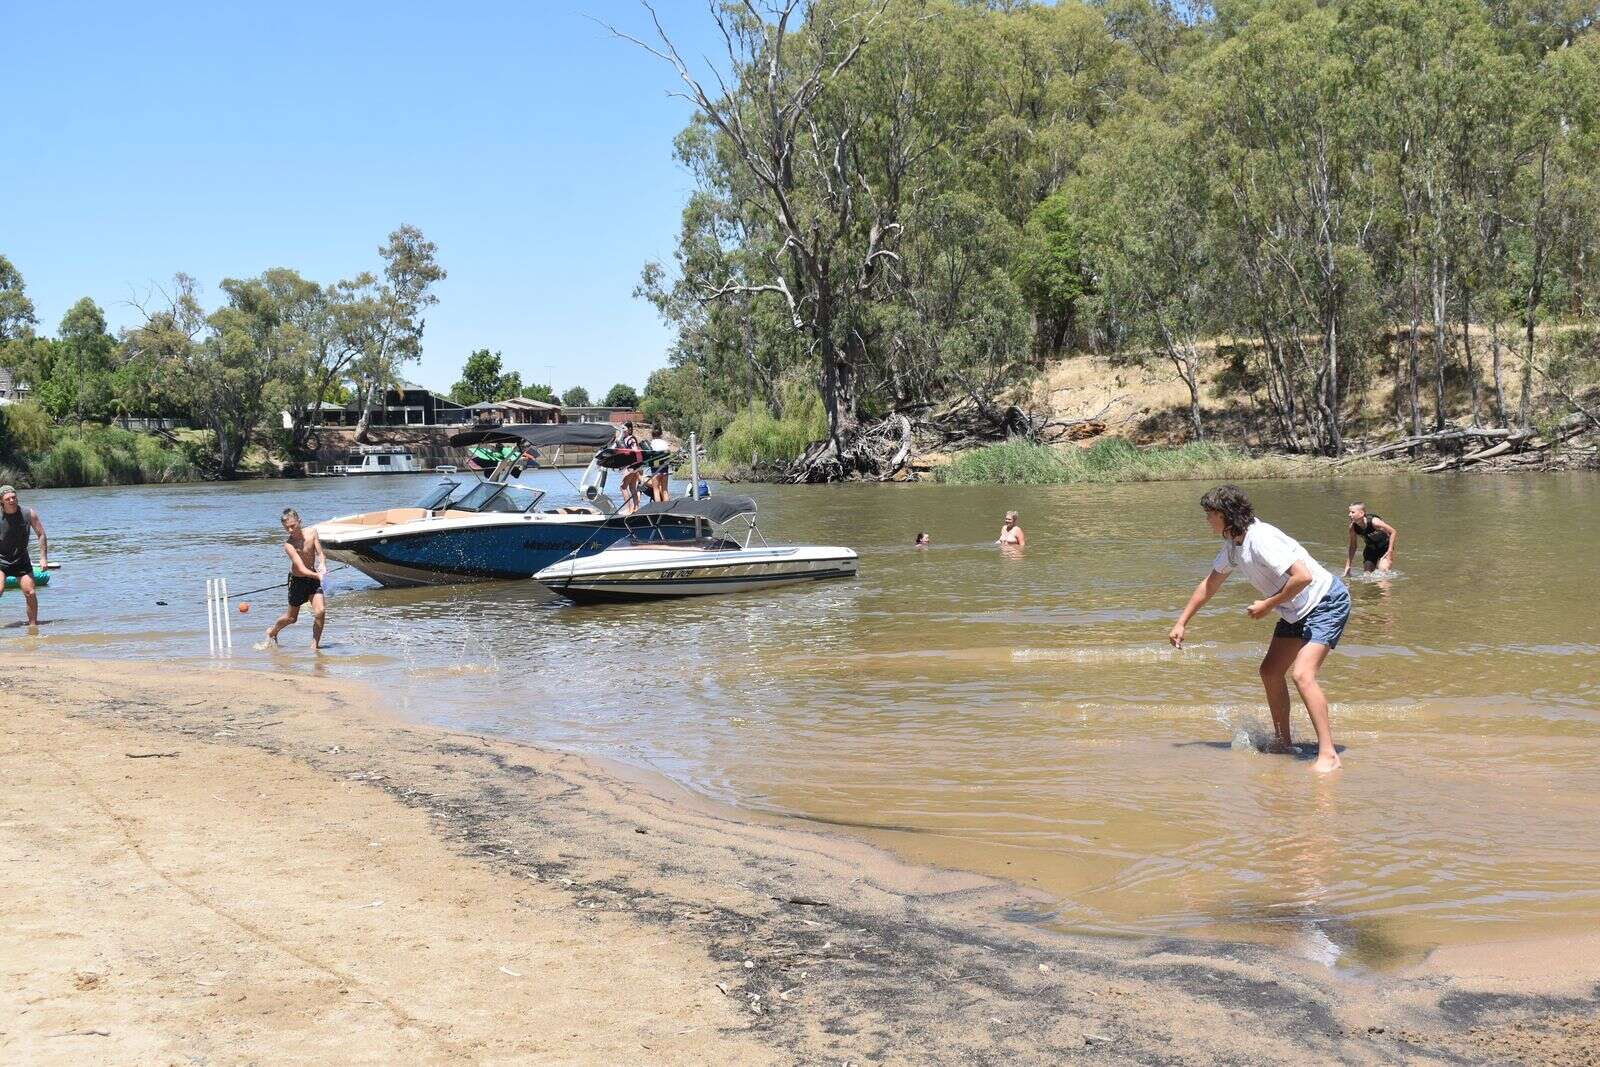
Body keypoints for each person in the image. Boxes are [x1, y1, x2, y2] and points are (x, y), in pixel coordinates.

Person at [1169, 485, 1350, 774]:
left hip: (1326, 602)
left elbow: (1303, 577)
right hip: (1295, 609)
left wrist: (1268, 605)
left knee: (1302, 674)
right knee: (1269, 671)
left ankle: (1328, 754)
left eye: (1210, 514)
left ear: (1226, 515)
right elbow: (1210, 584)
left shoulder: (1261, 539)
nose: (1207, 520)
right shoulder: (1233, 544)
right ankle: (1283, 742)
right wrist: (1182, 622)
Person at [258, 507, 327, 651]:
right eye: (286, 528)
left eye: (292, 526)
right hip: (297, 581)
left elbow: (320, 553)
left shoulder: (312, 532)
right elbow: (301, 569)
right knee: (291, 618)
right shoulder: (289, 545)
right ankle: (272, 632)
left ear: (299, 521)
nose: (289, 530)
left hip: (313, 578)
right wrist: (318, 575)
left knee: (320, 611)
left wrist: (322, 564)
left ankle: (315, 646)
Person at [0, 485, 48, 627]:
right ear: (1, 501)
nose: (12, 500)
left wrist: (43, 557)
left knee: (30, 593)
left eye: (14, 497)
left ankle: (33, 628)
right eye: (8, 499)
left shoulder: (28, 513)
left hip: (21, 560)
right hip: (1, 560)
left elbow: (41, 534)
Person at [1344, 503, 1397, 577]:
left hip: (1385, 549)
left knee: (1383, 573)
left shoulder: (1374, 522)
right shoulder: (1352, 528)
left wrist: (1390, 551)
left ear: (1361, 513)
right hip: (1370, 550)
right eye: (1349, 512)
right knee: (1367, 577)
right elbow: (1353, 546)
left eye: (1352, 512)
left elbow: (1393, 532)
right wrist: (1348, 566)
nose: (1349, 515)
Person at [617, 421, 643, 515]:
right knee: (632, 487)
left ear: (630, 429)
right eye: (622, 428)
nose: (623, 430)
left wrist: (635, 466)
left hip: (632, 466)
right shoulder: (626, 438)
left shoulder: (630, 439)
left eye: (624, 428)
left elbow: (636, 451)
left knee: (623, 487)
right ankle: (635, 508)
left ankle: (628, 509)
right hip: (635, 466)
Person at [648, 423, 673, 503]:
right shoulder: (665, 443)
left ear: (652, 434)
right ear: (661, 434)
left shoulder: (651, 444)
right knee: (665, 490)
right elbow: (668, 454)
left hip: (656, 470)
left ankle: (658, 509)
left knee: (656, 489)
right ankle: (667, 508)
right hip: (665, 469)